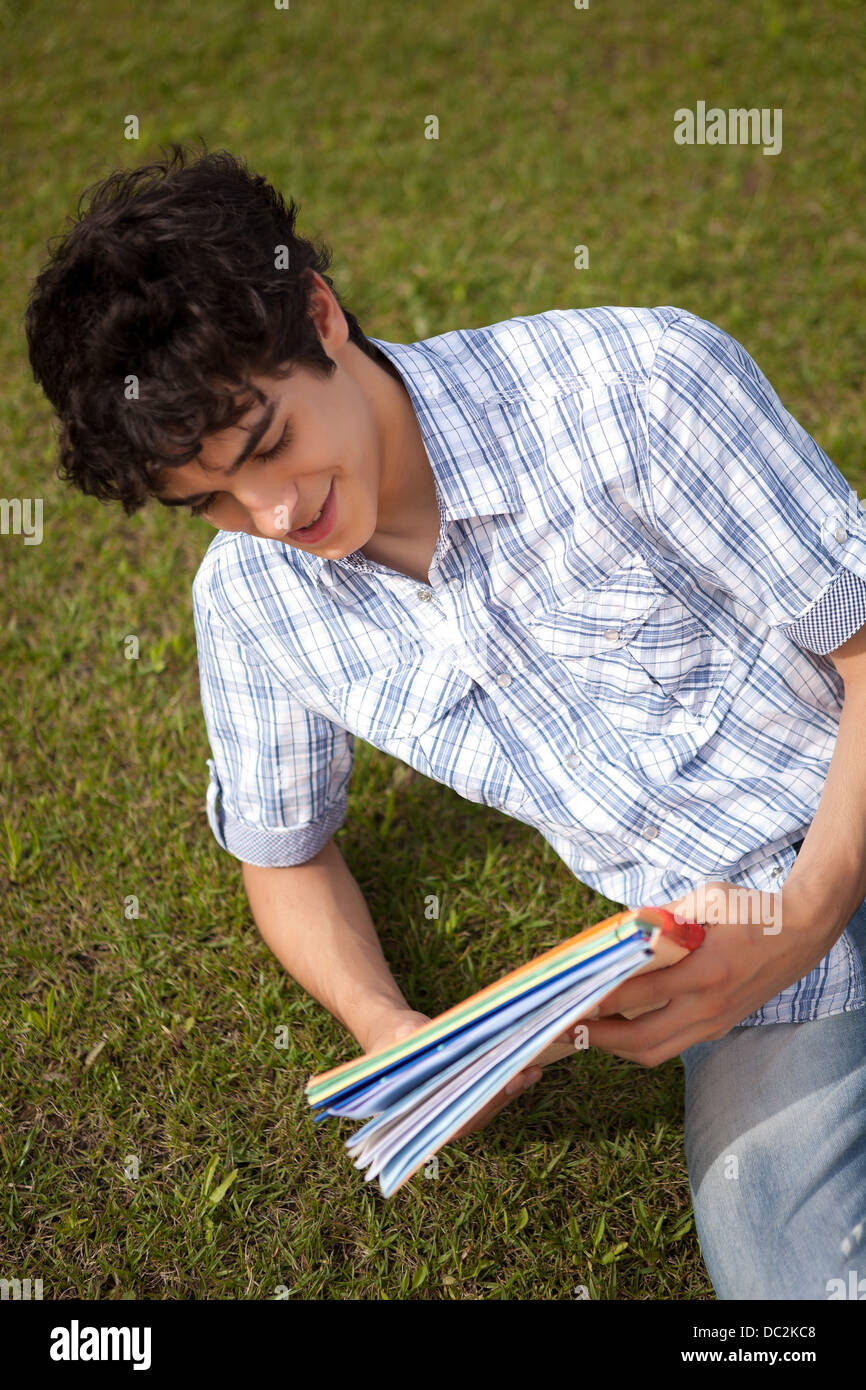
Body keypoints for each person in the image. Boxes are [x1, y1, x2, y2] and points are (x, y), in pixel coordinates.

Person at [25, 144, 866, 1300]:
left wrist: (810, 912)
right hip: (731, 940)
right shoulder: (253, 604)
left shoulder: (638, 388)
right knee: (777, 1268)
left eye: (266, 444)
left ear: (317, 315)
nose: (269, 514)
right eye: (208, 500)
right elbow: (284, 853)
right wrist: (386, 1025)